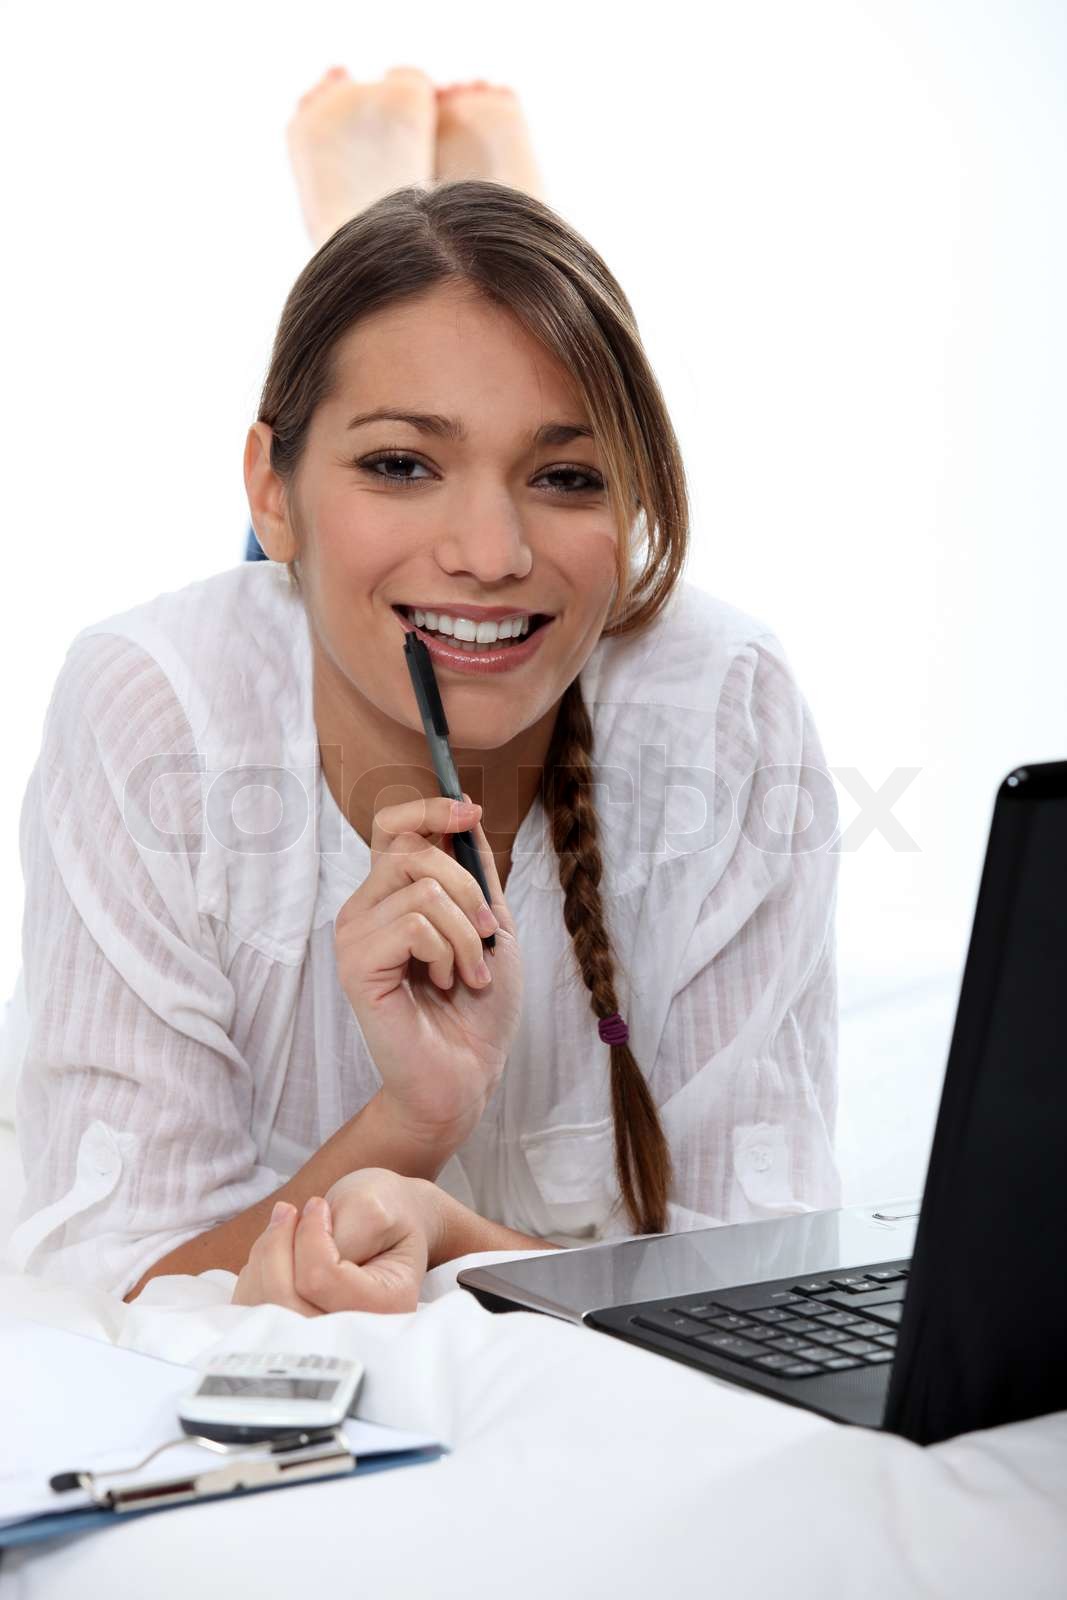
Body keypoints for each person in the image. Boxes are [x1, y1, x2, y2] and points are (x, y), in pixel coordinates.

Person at [10, 67, 841, 1317]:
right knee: (420, 575)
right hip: (311, 600)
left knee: (453, 556)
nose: (493, 547)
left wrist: (455, 1224)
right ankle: (433, 223)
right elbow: (83, 1303)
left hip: (427, 609)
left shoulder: (726, 699)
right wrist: (415, 1114)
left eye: (572, 476)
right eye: (400, 460)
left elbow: (771, 1302)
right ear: (266, 485)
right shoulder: (148, 702)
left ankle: (430, 240)